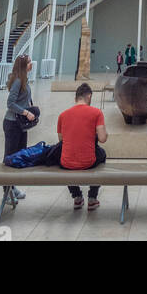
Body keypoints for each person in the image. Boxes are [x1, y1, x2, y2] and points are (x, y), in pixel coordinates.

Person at [57, 82, 108, 211]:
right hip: (88, 162)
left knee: (64, 156)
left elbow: (61, 140)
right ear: (89, 96)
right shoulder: (96, 113)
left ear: (76, 98)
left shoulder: (62, 115)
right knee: (102, 154)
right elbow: (102, 139)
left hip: (67, 163)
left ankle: (77, 197)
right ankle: (92, 197)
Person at [4, 54, 36, 203]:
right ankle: (7, 191)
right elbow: (10, 103)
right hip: (12, 123)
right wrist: (25, 112)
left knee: (19, 156)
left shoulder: (24, 79)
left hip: (20, 124)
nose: (31, 64)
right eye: (29, 62)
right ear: (24, 65)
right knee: (10, 157)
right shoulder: (17, 81)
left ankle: (13, 187)